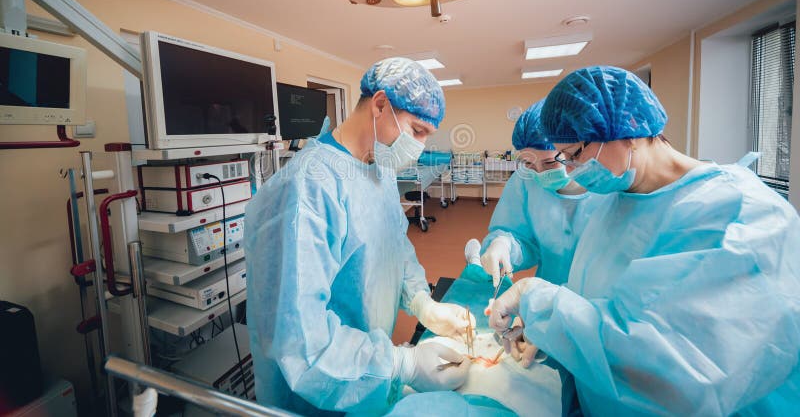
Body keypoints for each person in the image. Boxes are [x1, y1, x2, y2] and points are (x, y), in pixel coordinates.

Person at [489, 66, 800, 416]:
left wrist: (539, 302)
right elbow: (597, 302)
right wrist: (550, 333)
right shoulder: (617, 198)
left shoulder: (742, 217)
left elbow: (671, 371)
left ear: (629, 131)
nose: (570, 171)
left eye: (574, 155)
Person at [245, 57, 473, 415]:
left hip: (365, 375)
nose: (420, 146)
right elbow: (300, 339)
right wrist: (403, 365)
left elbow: (395, 247)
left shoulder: (377, 171)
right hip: (314, 394)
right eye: (416, 131)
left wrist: (421, 302)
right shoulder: (306, 189)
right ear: (379, 105)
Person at [478, 100, 604, 367]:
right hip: (543, 302)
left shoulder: (610, 190)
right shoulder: (526, 180)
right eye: (528, 163)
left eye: (549, 163)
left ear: (573, 151)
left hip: (598, 320)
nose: (538, 173)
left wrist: (560, 315)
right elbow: (523, 238)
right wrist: (504, 243)